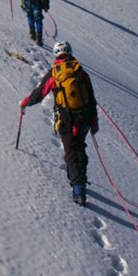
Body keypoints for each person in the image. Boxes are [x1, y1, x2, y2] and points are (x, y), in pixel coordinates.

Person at [20, 41, 98, 206]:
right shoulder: (81, 72)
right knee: (79, 147)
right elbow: (91, 99)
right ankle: (78, 178)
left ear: (56, 55)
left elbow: (39, 94)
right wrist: (94, 121)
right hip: (83, 119)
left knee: (71, 153)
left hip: (66, 120)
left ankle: (78, 190)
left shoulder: (55, 74)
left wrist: (25, 102)